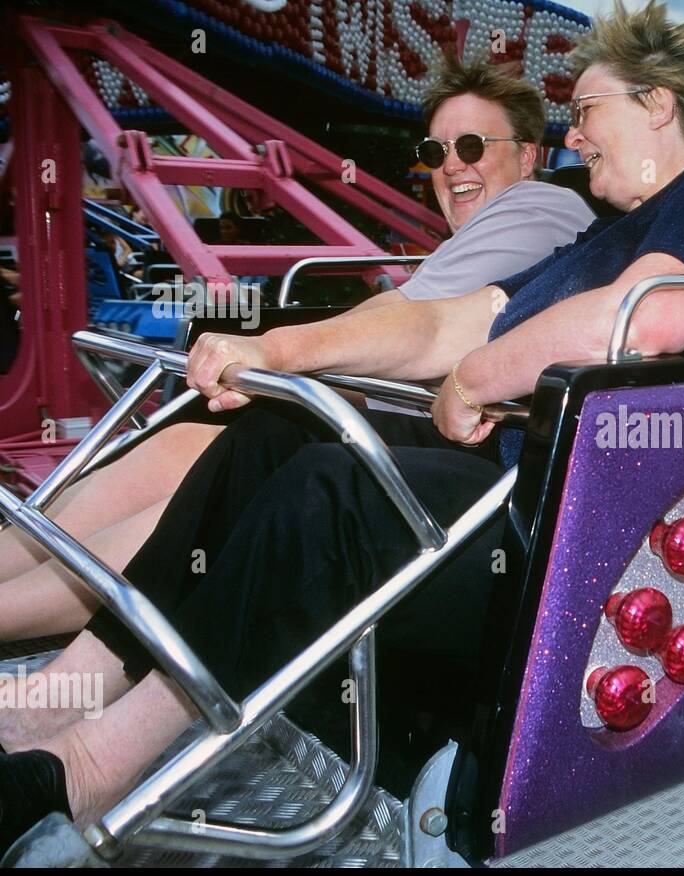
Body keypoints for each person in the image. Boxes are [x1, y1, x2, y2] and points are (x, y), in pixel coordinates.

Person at [0, 0, 684, 854]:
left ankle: (91, 767)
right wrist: (277, 348)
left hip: (595, 549)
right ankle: (54, 699)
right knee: (269, 437)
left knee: (335, 492)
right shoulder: (598, 240)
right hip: (536, 499)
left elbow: (644, 320)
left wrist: (478, 376)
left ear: (658, 103)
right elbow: (434, 324)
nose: (575, 137)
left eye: (588, 110)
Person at [0, 59, 594, 645]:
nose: (452, 166)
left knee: (216, 457)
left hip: (462, 453)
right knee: (202, 445)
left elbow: (416, 321)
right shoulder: (499, 228)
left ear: (528, 155)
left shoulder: (541, 210)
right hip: (427, 427)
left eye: (472, 145)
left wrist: (276, 350)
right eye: (436, 153)